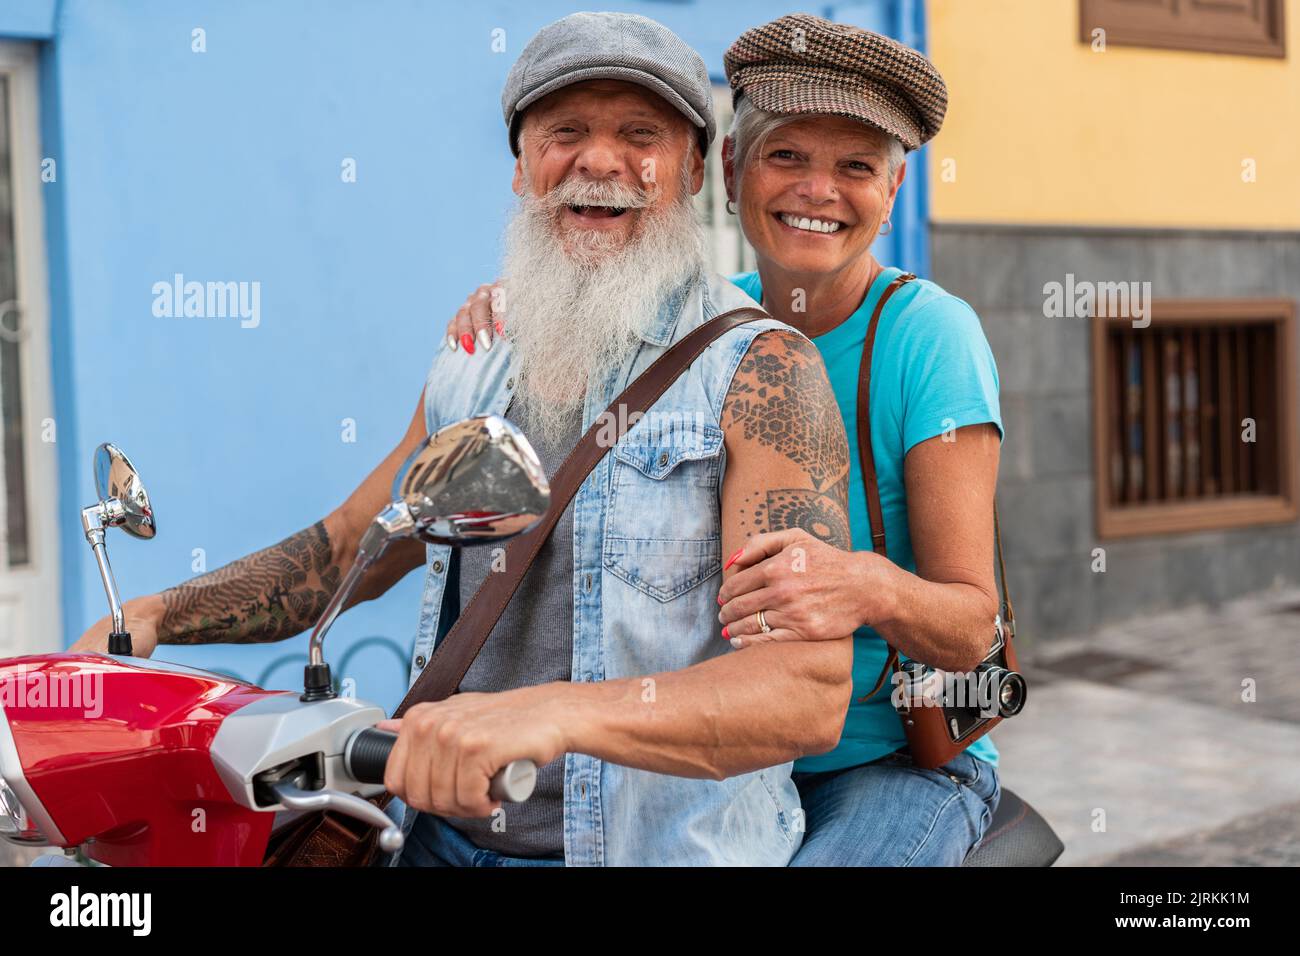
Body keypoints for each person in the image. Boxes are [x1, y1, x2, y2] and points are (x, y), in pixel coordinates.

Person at [75, 12, 855, 867]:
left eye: (641, 134)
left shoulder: (761, 369)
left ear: (694, 170)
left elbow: (803, 693)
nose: (598, 159)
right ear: (523, 169)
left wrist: (555, 712)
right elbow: (351, 550)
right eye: (565, 132)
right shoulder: (474, 360)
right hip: (434, 838)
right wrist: (154, 616)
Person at [443, 13, 1004, 866]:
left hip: (881, 760)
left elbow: (972, 627)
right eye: (787, 156)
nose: (817, 189)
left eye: (856, 167)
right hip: (721, 765)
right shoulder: (697, 328)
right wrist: (520, 306)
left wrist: (871, 586)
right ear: (733, 174)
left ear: (891, 195)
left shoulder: (932, 337)